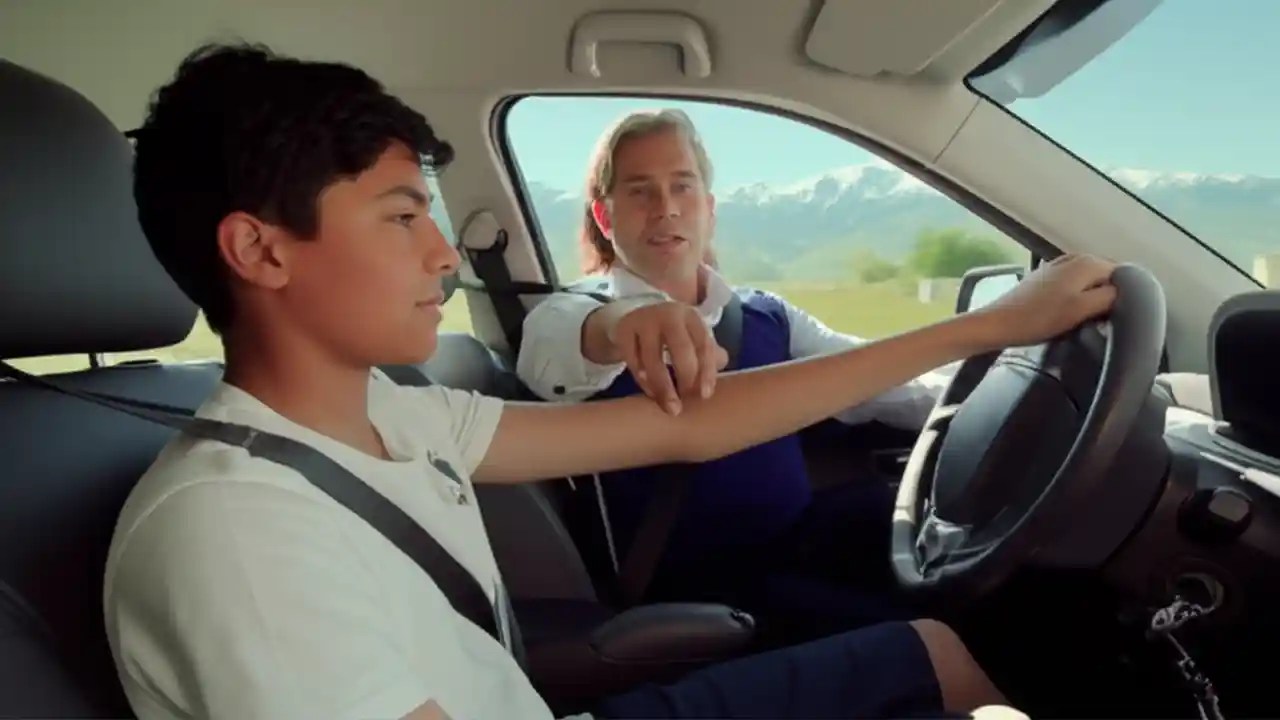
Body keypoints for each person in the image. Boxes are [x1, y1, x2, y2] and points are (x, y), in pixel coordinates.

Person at [103, 42, 1116, 720]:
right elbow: (583, 340)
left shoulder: (397, 415)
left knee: (937, 653)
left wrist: (994, 330)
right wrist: (628, 324)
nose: (443, 257)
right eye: (402, 215)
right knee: (940, 662)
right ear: (261, 251)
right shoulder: (235, 539)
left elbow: (691, 429)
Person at [516, 108, 952, 639]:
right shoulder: (573, 316)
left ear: (708, 209)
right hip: (705, 590)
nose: (666, 208)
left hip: (800, 540)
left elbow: (880, 383)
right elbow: (551, 353)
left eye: (682, 187)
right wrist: (624, 326)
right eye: (639, 191)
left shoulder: (767, 314)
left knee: (929, 537)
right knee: (923, 634)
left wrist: (988, 393)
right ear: (605, 220)